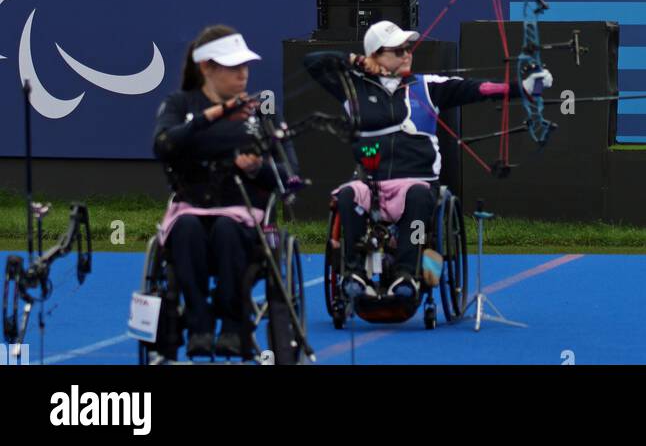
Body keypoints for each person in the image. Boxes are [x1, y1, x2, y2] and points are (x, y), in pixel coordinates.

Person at [304, 20, 550, 300]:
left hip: (416, 183)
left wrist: (523, 88)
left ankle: (405, 275)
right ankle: (354, 274)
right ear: (375, 55)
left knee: (418, 196)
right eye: (398, 51)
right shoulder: (353, 89)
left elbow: (477, 89)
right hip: (370, 184)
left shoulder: (427, 86)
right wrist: (356, 61)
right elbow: (312, 62)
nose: (407, 55)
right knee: (348, 195)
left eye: (408, 49)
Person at [153, 25, 297, 358]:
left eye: (245, 65)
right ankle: (199, 325)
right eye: (233, 67)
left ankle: (234, 327)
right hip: (191, 209)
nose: (243, 73)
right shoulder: (180, 104)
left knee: (226, 230)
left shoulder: (261, 110)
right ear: (206, 67)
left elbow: (290, 175)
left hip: (244, 214)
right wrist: (211, 116)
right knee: (187, 229)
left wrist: (256, 169)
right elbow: (163, 144)